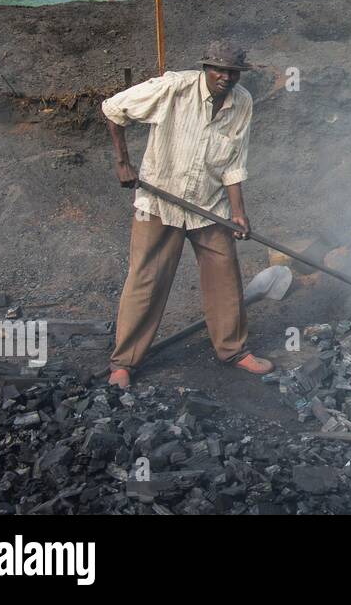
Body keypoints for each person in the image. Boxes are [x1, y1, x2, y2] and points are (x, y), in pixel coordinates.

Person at [100, 41, 273, 388]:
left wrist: (238, 214)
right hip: (159, 203)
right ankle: (124, 363)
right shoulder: (173, 88)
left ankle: (234, 351)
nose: (224, 77)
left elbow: (234, 164)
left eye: (232, 72)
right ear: (206, 68)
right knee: (147, 280)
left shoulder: (242, 103)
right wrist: (122, 163)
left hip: (209, 206)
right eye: (218, 70)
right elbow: (113, 109)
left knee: (225, 277)